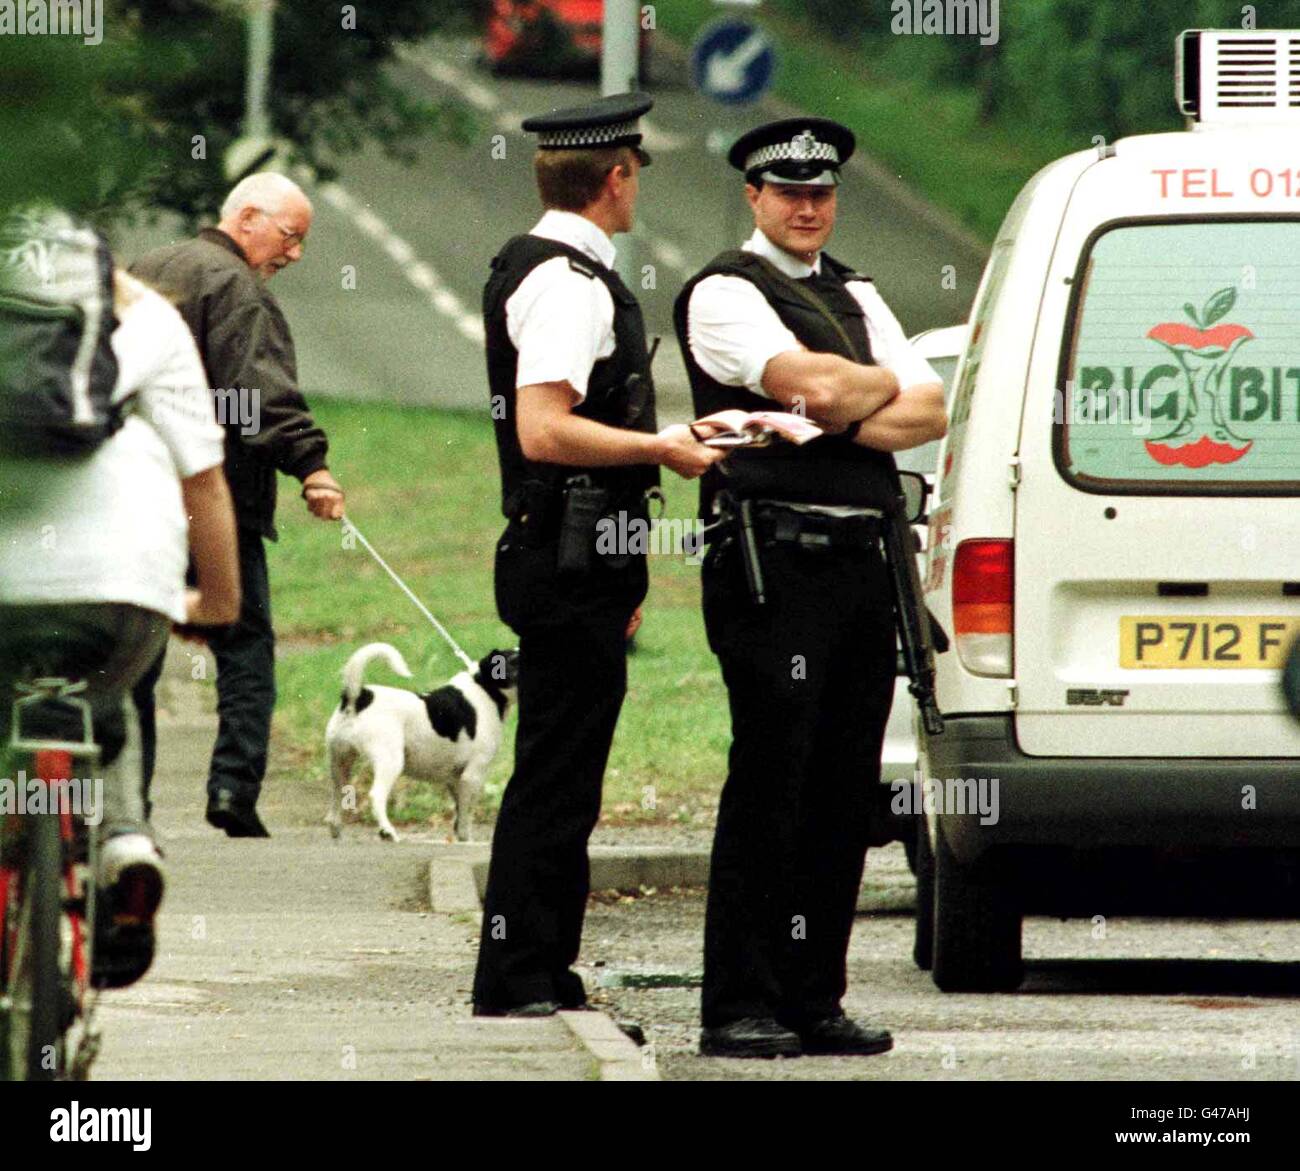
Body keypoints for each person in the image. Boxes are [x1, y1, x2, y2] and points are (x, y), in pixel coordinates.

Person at [674, 117, 948, 1058]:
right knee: (772, 778)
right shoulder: (723, 290)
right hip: (773, 567)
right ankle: (738, 1003)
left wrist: (839, 400)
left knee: (841, 785)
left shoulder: (858, 290)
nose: (806, 207)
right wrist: (854, 395)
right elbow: (822, 393)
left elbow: (929, 407)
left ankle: (812, 995)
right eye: (787, 192)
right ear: (754, 196)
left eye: (821, 193)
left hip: (865, 565)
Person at [471, 93, 723, 1017]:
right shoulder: (569, 284)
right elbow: (544, 429)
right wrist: (662, 447)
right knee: (555, 770)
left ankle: (543, 964)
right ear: (616, 177)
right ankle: (515, 976)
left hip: (577, 554)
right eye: (636, 169)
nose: (637, 183)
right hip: (565, 555)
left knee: (567, 769)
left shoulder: (538, 263)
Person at [0, 221, 240, 984]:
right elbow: (204, 482)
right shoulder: (155, 325)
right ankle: (124, 843)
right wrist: (219, 603)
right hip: (124, 587)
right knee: (107, 688)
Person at [130, 172, 345, 838]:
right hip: (215, 499)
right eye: (290, 235)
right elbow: (257, 396)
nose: (295, 253)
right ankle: (232, 787)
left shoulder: (145, 270)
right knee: (245, 643)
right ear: (248, 217)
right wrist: (312, 465)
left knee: (134, 649)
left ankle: (126, 805)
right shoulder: (238, 290)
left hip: (135, 494)